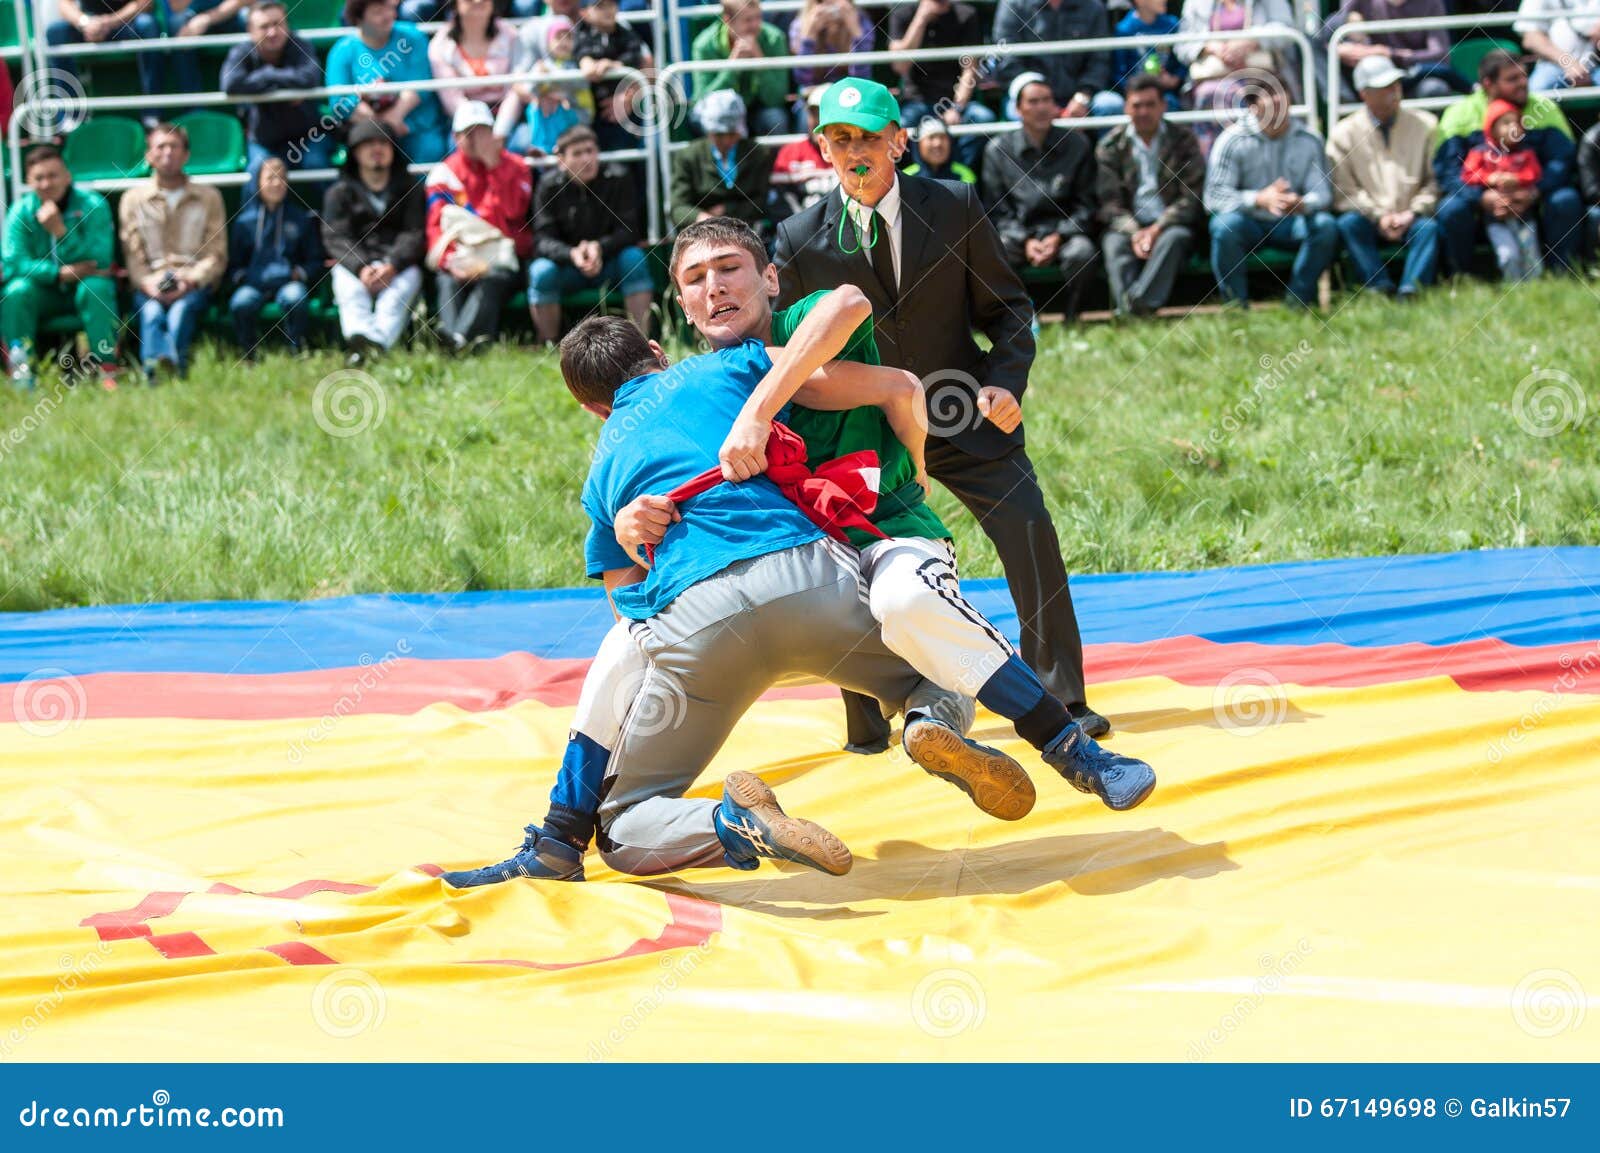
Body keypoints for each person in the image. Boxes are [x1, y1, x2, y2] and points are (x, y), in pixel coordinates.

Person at [443, 257, 1156, 886]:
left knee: (625, 818)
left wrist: (636, 533)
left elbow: (625, 609)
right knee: (938, 655)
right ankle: (1002, 735)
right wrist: (912, 466)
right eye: (696, 279)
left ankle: (665, 827)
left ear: (592, 408)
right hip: (814, 579)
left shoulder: (605, 467)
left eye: (726, 273)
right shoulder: (734, 361)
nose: (716, 290)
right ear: (661, 343)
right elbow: (897, 382)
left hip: (695, 628)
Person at [776, 78, 1109, 748]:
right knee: (853, 564)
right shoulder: (800, 237)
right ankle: (868, 718)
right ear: (821, 149)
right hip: (862, 433)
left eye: (869, 136)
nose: (855, 151)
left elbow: (1011, 310)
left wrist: (1008, 382)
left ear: (900, 141)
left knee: (1029, 528)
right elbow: (788, 353)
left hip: (962, 409)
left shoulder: (954, 206)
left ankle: (1064, 701)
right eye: (839, 139)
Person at [1433, 50, 1581, 276]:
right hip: (1480, 201)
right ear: (1488, 84)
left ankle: (1561, 273)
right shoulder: (1459, 113)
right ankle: (1462, 278)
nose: (1523, 83)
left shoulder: (1544, 108)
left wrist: (1532, 192)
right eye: (1512, 79)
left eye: (1524, 76)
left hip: (1533, 196)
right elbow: (1448, 172)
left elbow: (1562, 162)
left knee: (1566, 199)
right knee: (1450, 208)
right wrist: (1483, 198)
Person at [1204, 82, 1337, 308]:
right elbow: (1213, 196)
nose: (1278, 103)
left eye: (1282, 97)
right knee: (1224, 226)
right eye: (1270, 96)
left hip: (1292, 221)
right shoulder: (1231, 140)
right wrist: (1258, 199)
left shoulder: (1309, 139)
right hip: (1248, 222)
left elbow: (1323, 193)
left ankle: (1298, 302)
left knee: (1325, 225)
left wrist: (1302, 203)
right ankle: (1236, 307)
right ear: (1253, 107)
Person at [2, 147, 122, 391]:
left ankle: (107, 369)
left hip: (83, 288)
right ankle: (21, 370)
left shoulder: (92, 204)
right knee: (16, 290)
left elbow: (99, 257)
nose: (46, 183)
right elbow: (14, 262)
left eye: (53, 175)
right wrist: (56, 274)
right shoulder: (20, 211)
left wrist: (60, 232)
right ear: (28, 181)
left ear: (67, 175)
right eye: (39, 178)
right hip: (44, 292)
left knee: (97, 287)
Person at [981, 74, 1100, 320]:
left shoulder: (1078, 145)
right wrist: (1024, 240)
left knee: (1082, 253)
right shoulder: (997, 150)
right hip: (1017, 233)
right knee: (995, 252)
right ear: (1017, 108)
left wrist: (1060, 235)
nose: (1042, 107)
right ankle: (1012, 319)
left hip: (1064, 233)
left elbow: (1087, 206)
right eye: (1033, 101)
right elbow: (996, 211)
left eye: (1047, 100)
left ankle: (1072, 316)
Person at [118, 124, 227, 383]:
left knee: (179, 313)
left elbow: (217, 252)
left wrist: (189, 280)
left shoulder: (209, 197)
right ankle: (159, 372)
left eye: (174, 146)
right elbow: (132, 254)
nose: (168, 153)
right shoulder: (133, 199)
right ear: (149, 155)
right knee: (152, 313)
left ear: (186, 155)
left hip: (193, 282)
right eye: (160, 147)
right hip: (149, 283)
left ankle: (165, 374)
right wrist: (148, 283)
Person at [1326, 56, 1440, 299]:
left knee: (1427, 228)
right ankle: (1378, 286)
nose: (1394, 91)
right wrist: (1378, 215)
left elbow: (1435, 181)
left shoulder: (1426, 125)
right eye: (1384, 87)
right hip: (1369, 216)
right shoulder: (1343, 134)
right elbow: (1344, 190)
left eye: (1396, 84)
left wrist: (1413, 212)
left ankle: (1412, 290)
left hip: (1411, 214)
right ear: (1364, 94)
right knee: (1348, 224)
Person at [425, 102, 534, 352]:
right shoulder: (443, 174)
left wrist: (494, 167)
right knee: (446, 280)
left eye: (482, 131)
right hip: (461, 256)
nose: (476, 140)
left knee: (493, 278)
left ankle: (457, 341)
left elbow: (510, 216)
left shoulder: (517, 167)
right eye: (468, 133)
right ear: (455, 137)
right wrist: (453, 262)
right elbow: (435, 228)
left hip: (505, 259)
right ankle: (455, 341)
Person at [529, 125, 653, 344]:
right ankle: (547, 344)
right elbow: (542, 240)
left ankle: (641, 342)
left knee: (633, 258)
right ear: (561, 159)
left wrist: (600, 248)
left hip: (610, 263)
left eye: (591, 151)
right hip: (567, 268)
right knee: (540, 271)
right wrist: (572, 254)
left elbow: (630, 230)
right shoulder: (548, 187)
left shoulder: (618, 177)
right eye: (577, 153)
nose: (587, 158)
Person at [1095, 73, 1204, 316]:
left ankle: (1139, 304)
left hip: (1171, 223)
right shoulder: (1111, 146)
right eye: (1137, 105)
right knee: (1113, 243)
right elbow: (1109, 204)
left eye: (1150, 105)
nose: (1143, 111)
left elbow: (1190, 198)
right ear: (1126, 107)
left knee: (1173, 239)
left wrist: (1156, 229)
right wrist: (1135, 232)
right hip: (1129, 224)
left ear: (1163, 106)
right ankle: (1128, 308)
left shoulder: (1184, 140)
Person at [321, 119, 427, 361]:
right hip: (356, 266)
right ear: (355, 152)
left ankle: (373, 345)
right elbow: (335, 236)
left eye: (383, 143)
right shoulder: (338, 193)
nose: (377, 150)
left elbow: (414, 233)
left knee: (398, 294)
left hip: (398, 265)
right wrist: (361, 267)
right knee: (349, 289)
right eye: (368, 144)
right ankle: (360, 337)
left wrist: (392, 264)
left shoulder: (411, 189)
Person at [326, 0, 449, 165]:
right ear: (359, 18)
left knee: (430, 149)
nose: (389, 16)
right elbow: (339, 101)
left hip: (415, 126)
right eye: (378, 12)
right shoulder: (342, 51)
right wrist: (381, 125)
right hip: (367, 131)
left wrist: (395, 118)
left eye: (390, 8)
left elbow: (421, 84)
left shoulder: (413, 37)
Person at [222, 3, 333, 178]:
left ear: (287, 26)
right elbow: (230, 83)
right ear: (250, 30)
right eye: (264, 27)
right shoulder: (241, 51)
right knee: (257, 173)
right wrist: (278, 80)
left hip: (309, 136)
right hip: (265, 141)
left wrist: (265, 79)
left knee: (317, 165)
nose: (272, 32)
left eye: (277, 24)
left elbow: (310, 77)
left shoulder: (301, 45)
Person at [228, 158, 321, 357]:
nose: (277, 183)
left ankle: (296, 351)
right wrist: (244, 277)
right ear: (258, 182)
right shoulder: (244, 223)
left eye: (282, 178)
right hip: (254, 284)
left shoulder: (300, 219)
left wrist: (299, 273)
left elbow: (314, 259)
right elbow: (234, 263)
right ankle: (249, 354)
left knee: (295, 297)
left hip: (288, 282)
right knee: (241, 302)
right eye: (270, 177)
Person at [887, 0, 994, 168]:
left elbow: (969, 70)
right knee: (897, 128)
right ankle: (914, 178)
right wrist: (921, 19)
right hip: (916, 100)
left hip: (955, 101)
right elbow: (900, 66)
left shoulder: (966, 14)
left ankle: (956, 173)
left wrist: (957, 107)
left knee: (983, 119)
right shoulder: (903, 13)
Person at [1175, 0, 1295, 137]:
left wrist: (1251, 41)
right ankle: (1211, 155)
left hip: (1260, 77)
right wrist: (1210, 47)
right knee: (1211, 95)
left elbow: (1286, 29)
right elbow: (1182, 44)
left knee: (1264, 98)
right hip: (1212, 81)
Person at [993, 0, 1126, 120]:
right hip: (1030, 96)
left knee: (1110, 105)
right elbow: (1006, 60)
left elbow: (1099, 61)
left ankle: (1102, 148)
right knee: (1019, 112)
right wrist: (1042, 100)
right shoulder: (1013, 4)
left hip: (1083, 96)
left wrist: (1082, 97)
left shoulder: (1093, 6)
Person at [1462, 100, 1546, 281]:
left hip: (1524, 216)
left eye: (1517, 122)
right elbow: (1468, 174)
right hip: (1496, 218)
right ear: (1491, 129)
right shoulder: (1480, 153)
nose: (1513, 127)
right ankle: (1513, 288)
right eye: (1506, 123)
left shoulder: (1526, 153)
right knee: (1508, 254)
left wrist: (1517, 179)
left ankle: (1536, 289)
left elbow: (1535, 173)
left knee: (1530, 254)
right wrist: (1489, 178)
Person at [670, 90, 773, 235]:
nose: (726, 140)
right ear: (707, 130)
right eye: (719, 134)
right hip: (700, 234)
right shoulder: (688, 157)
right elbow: (678, 207)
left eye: (732, 133)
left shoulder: (758, 154)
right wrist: (703, 219)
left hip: (747, 232)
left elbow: (760, 201)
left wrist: (726, 212)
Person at [428, 0, 526, 152]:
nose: (478, 1)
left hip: (509, 116)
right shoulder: (440, 44)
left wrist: (500, 131)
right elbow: (451, 97)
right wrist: (478, 129)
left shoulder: (511, 35)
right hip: (466, 120)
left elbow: (515, 88)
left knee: (521, 144)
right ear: (454, 4)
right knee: (458, 148)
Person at [1321, 0, 1465, 102]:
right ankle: (1344, 104)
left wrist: (1392, 54)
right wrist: (1339, 47)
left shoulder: (1431, 3)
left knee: (1435, 89)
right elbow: (1324, 36)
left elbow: (1440, 54)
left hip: (1412, 78)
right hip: (1373, 80)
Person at [691, 0, 792, 140]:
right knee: (706, 120)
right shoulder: (704, 45)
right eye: (748, 20)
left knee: (775, 118)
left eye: (758, 17)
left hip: (759, 110)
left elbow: (776, 99)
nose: (756, 25)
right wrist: (733, 67)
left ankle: (775, 163)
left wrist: (759, 62)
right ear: (728, 20)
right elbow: (702, 101)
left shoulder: (774, 38)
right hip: (722, 113)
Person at [46, 0, 161, 110]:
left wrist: (110, 22)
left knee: (147, 25)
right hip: (90, 25)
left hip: (127, 23)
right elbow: (65, 5)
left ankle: (152, 115)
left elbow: (145, 3)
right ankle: (70, 115)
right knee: (56, 32)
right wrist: (85, 23)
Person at [570, 0, 653, 152]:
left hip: (626, 112)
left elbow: (638, 59)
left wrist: (613, 66)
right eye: (600, 6)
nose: (608, 10)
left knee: (628, 154)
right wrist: (586, 62)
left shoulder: (626, 33)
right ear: (584, 13)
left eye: (611, 4)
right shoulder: (580, 34)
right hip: (591, 113)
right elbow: (582, 58)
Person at [510, 17, 594, 157]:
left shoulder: (576, 64)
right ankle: (540, 147)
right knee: (534, 109)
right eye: (558, 38)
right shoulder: (541, 65)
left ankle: (556, 147)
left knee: (559, 110)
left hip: (576, 111)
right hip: (550, 109)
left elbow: (580, 84)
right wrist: (538, 76)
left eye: (568, 38)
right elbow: (529, 89)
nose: (564, 42)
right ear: (548, 43)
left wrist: (559, 93)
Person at [790, 0, 875, 120]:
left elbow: (861, 77)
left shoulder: (861, 22)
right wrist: (810, 36)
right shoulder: (800, 25)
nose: (830, 3)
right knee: (807, 119)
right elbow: (802, 79)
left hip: (851, 92)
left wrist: (856, 32)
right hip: (814, 95)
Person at [772, 86, 841, 218]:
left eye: (824, 114)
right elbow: (778, 201)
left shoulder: (853, 154)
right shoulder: (790, 153)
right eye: (814, 114)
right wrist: (802, 227)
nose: (818, 121)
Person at [166, 0, 252, 96]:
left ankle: (248, 104)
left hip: (234, 13)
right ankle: (193, 106)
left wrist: (208, 18)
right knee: (177, 24)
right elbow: (176, 7)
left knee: (252, 22)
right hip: (196, 15)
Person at [1112, 0, 1186, 111]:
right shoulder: (1124, 29)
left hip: (1165, 92)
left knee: (1170, 103)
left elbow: (1182, 60)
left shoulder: (1172, 24)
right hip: (1135, 93)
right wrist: (1135, 87)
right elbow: (1118, 72)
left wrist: (1174, 79)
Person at [1516, 0, 1600, 92]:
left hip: (1596, 64)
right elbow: (1531, 38)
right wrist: (1569, 63)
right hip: (1554, 65)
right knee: (1536, 92)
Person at [903, 116, 976, 184]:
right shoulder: (906, 178)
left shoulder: (964, 175)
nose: (937, 143)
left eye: (942, 137)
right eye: (931, 137)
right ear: (918, 144)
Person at [1578, 121, 1600, 252]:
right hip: (1597, 204)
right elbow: (1590, 191)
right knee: (1595, 216)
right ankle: (1593, 266)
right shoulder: (1590, 140)